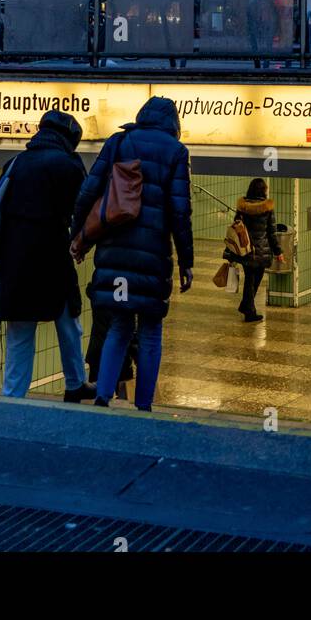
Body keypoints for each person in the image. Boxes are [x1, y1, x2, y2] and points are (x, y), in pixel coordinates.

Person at [71, 96, 193, 411]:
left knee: (119, 324)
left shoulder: (119, 141)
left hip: (114, 249)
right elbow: (180, 212)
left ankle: (102, 395)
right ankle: (144, 405)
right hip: (153, 254)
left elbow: (90, 191)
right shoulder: (176, 152)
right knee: (151, 330)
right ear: (173, 123)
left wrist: (78, 236)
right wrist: (186, 262)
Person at [0, 110, 95, 402]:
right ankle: (75, 383)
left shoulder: (15, 163)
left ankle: (13, 396)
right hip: (51, 258)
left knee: (20, 330)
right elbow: (82, 208)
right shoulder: (68, 164)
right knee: (68, 320)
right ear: (70, 138)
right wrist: (82, 243)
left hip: (15, 260)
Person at [227, 178, 284, 322]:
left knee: (250, 279)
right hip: (261, 250)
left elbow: (236, 225)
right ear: (263, 191)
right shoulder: (267, 208)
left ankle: (247, 306)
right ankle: (249, 311)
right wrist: (278, 252)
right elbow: (272, 232)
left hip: (245, 249)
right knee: (254, 280)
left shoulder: (243, 206)